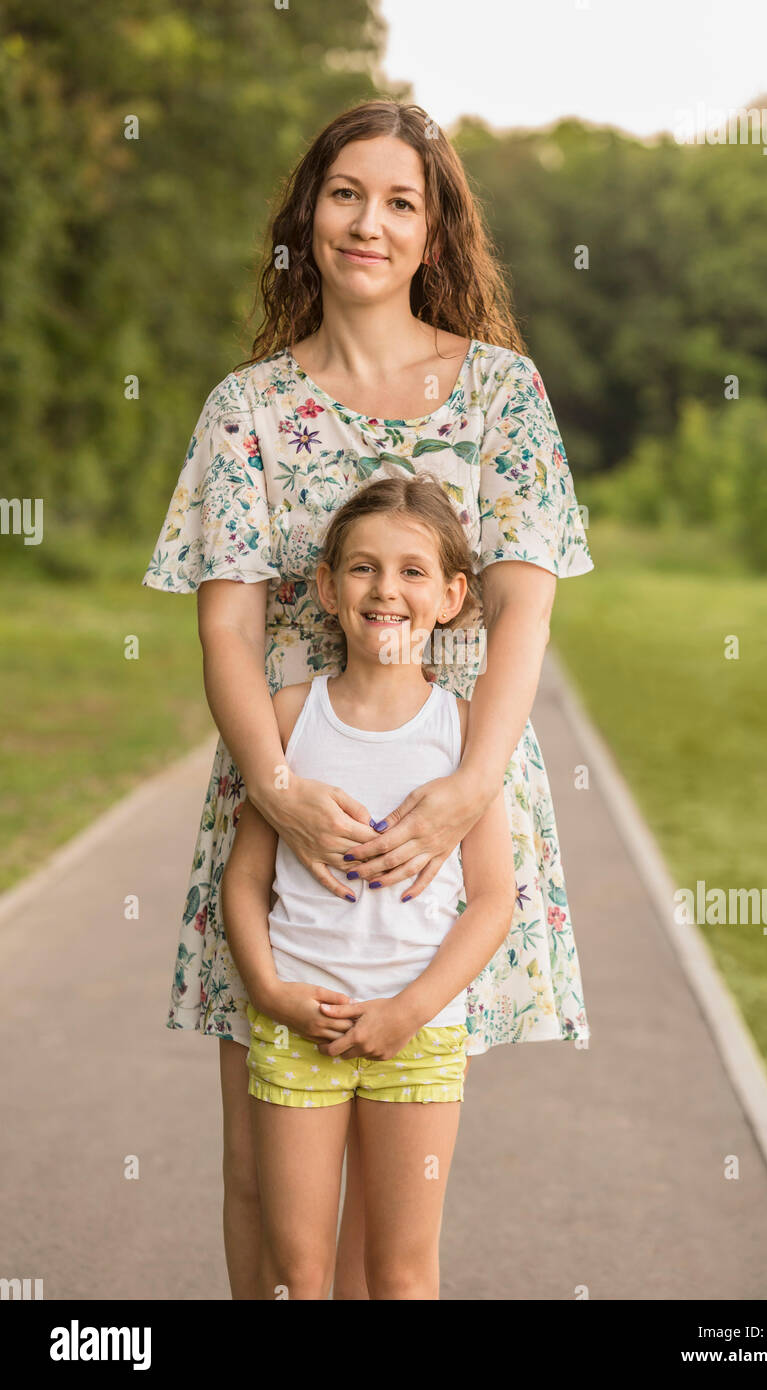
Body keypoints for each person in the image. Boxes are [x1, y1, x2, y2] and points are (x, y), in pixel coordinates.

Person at [142, 98, 594, 1300]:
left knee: (394, 1197)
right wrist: (280, 794)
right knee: (264, 1168)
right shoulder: (247, 409)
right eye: (346, 193)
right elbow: (228, 622)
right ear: (308, 216)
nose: (370, 222)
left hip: (452, 795)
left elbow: (524, 608)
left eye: (402, 200)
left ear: (436, 231)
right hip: (290, 789)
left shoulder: (501, 392)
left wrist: (466, 789)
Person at [221, 474, 515, 1300]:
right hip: (295, 1028)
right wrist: (271, 993)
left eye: (413, 572)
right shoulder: (288, 717)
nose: (386, 589)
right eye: (362, 568)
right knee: (296, 1272)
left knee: (401, 1270)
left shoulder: (461, 733)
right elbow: (243, 881)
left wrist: (409, 1010)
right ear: (326, 586)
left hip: (417, 1033)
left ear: (453, 596)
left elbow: (494, 899)